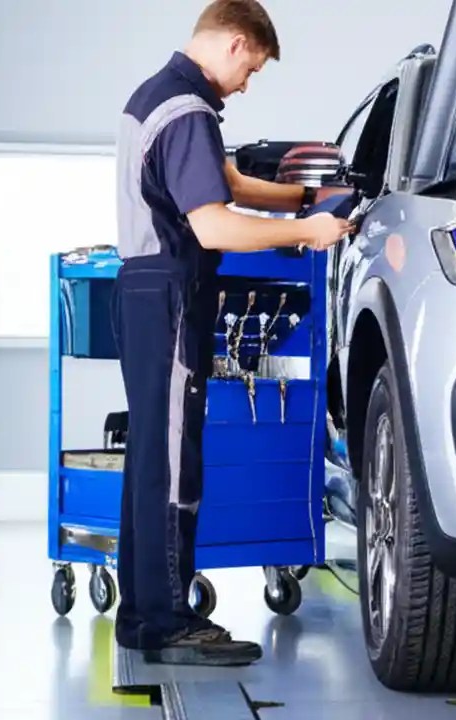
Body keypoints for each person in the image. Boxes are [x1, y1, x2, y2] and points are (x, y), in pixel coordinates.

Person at [111, 0, 353, 667]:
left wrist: (309, 199)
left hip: (145, 289)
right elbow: (215, 225)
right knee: (172, 462)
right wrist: (309, 233)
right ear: (236, 43)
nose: (247, 84)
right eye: (252, 69)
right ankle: (168, 624)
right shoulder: (186, 111)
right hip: (170, 292)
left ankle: (140, 617)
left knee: (150, 459)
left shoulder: (161, 96)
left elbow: (232, 184)